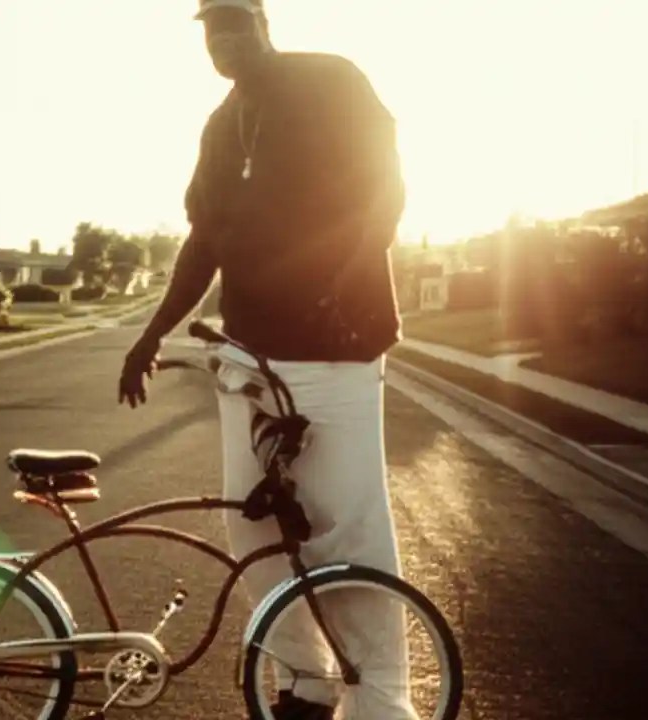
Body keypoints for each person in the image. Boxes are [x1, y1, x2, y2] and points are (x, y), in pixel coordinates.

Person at [118, 1, 415, 718]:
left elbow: (386, 189)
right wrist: (153, 332)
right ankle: (305, 683)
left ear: (264, 23)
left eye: (236, 24)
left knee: (346, 527)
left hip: (337, 351)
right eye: (211, 31)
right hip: (251, 356)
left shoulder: (332, 81)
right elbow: (204, 243)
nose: (224, 42)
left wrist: (345, 279)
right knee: (252, 525)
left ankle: (380, 701)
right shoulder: (221, 127)